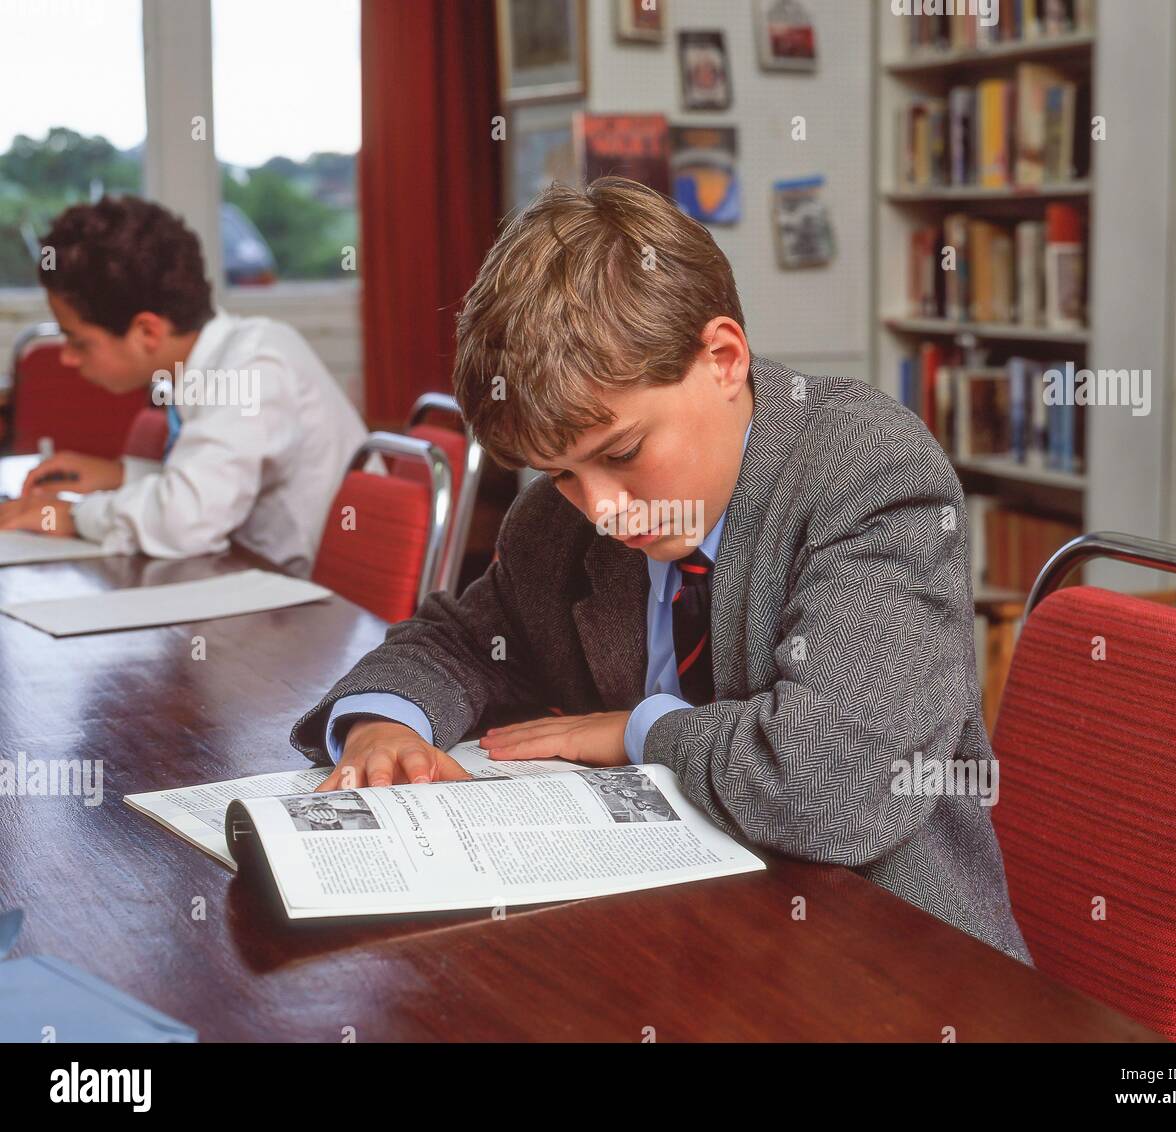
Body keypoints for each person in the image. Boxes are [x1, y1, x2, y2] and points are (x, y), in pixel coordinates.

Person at [290, 177, 1032, 963]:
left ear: (722, 358)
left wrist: (635, 732)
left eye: (622, 454)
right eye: (563, 474)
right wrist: (383, 725)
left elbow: (828, 784)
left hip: (891, 960)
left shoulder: (870, 475)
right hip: (672, 943)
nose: (603, 510)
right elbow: (461, 641)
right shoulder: (557, 520)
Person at [0, 195, 366, 576]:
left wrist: (73, 515)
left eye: (78, 341)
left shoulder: (250, 370)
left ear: (146, 331)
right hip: (264, 580)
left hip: (319, 613)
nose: (67, 358)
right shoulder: (212, 362)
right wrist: (124, 476)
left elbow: (187, 522)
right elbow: (215, 488)